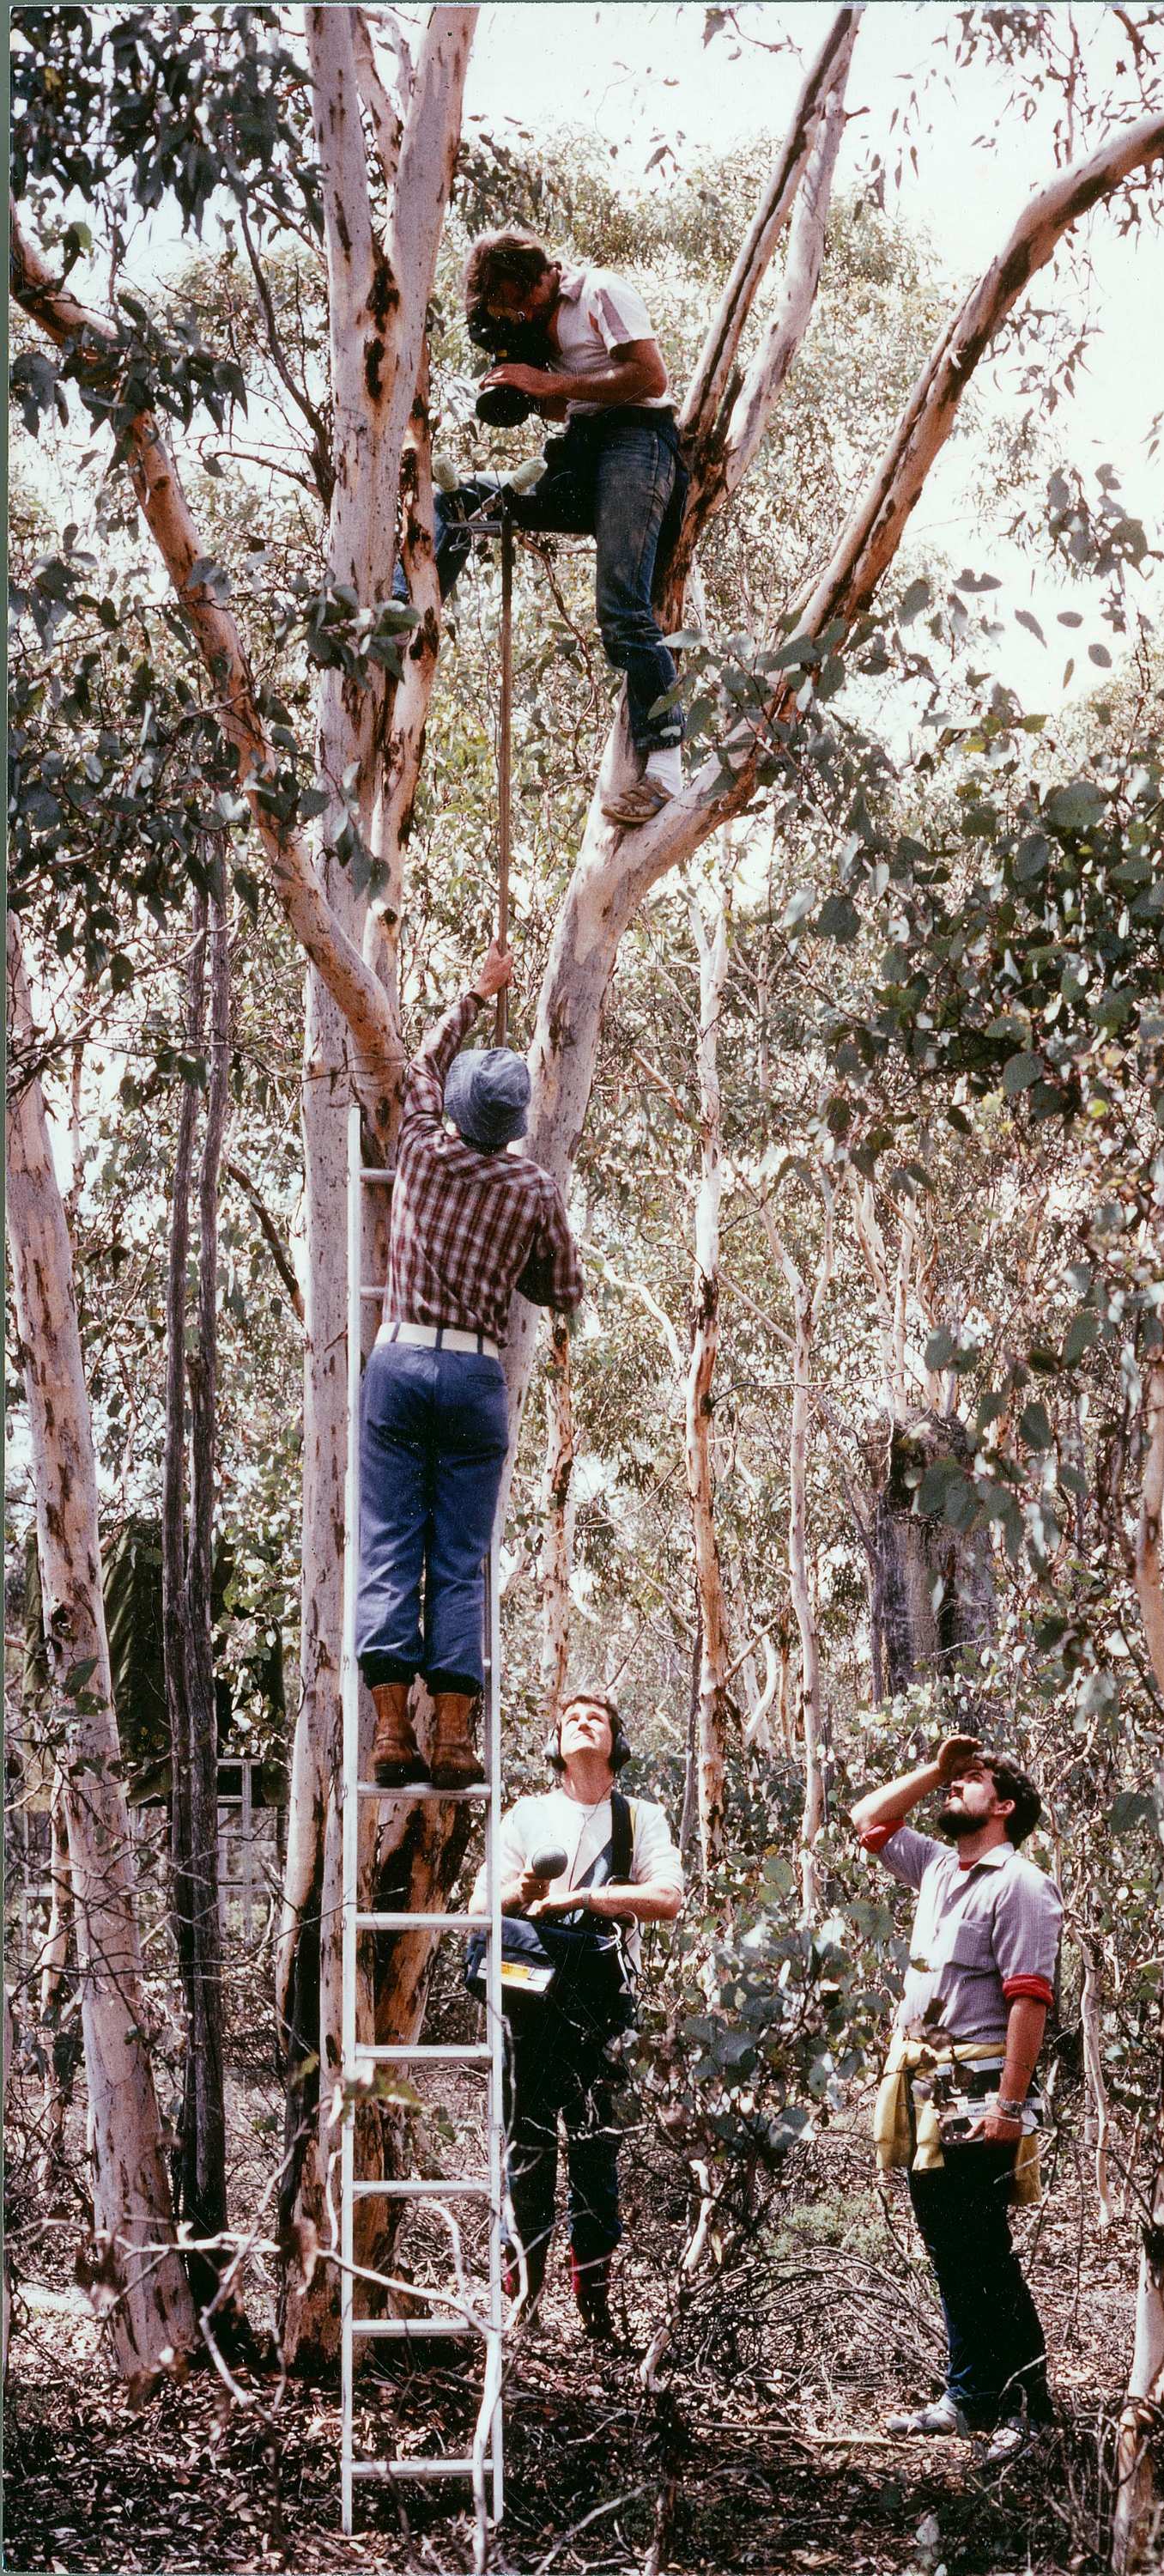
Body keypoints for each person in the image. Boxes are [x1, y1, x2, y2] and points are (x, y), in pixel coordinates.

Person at [356, 940, 581, 1790]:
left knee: (389, 1540)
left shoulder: (419, 1149)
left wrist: (477, 994)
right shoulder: (533, 1190)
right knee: (458, 1558)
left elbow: (418, 1068)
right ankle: (451, 1740)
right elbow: (564, 1288)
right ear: (514, 1125)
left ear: (456, 1110)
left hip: (402, 1359)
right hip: (476, 1378)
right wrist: (514, 1260)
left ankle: (391, 1732)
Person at [416, 227, 689, 831]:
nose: (521, 313)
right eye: (508, 310)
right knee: (461, 500)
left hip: (637, 442)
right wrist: (522, 391)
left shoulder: (599, 291)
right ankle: (410, 606)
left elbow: (650, 377)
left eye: (519, 299)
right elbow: (564, 406)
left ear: (538, 273)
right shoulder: (535, 324)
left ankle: (665, 768)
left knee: (623, 609)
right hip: (581, 449)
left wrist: (554, 383)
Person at [851, 1731, 1063, 2464]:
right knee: (948, 2246)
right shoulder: (940, 1866)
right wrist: (935, 1767)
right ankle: (969, 2396)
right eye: (954, 1780)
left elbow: (1029, 1999)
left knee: (982, 2248)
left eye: (970, 1781)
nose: (952, 1788)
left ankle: (1029, 2408)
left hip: (979, 2085)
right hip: (923, 2081)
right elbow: (867, 1819)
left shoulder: (1022, 1885)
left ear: (1003, 1807)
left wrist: (1009, 2105)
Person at [470, 1689, 684, 2337]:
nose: (583, 1724)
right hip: (530, 2000)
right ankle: (523, 2298)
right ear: (556, 1744)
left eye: (597, 1718)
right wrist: (523, 1891)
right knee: (527, 2144)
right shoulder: (528, 1814)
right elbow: (482, 1904)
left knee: (596, 2150)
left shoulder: (639, 1817)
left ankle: (594, 2301)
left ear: (617, 1741)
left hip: (604, 2003)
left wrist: (586, 1899)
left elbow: (668, 1896)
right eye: (571, 1720)